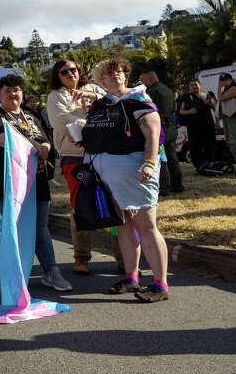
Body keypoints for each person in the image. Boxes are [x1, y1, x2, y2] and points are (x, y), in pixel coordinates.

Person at [82, 58, 169, 302]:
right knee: (123, 226)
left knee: (146, 225)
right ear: (102, 80)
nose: (116, 76)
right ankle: (132, 278)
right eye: (110, 74)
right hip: (106, 175)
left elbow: (152, 133)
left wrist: (150, 164)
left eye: (119, 72)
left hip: (136, 172)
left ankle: (161, 284)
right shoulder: (100, 105)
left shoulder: (139, 100)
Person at [0, 74, 73, 293]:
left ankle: (51, 272)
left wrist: (45, 148)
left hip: (38, 181)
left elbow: (45, 140)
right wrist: (35, 145)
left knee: (41, 229)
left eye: (17, 90)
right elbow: (0, 140)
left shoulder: (31, 115)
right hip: (11, 184)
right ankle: (16, 275)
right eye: (8, 91)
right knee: (15, 229)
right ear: (0, 95)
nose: (13, 94)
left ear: (22, 94)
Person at [46, 59, 124, 276]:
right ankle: (81, 257)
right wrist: (97, 125)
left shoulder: (94, 90)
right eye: (64, 71)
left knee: (116, 204)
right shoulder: (55, 97)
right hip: (75, 157)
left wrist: (93, 100)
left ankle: (123, 257)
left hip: (104, 155)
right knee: (80, 205)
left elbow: (115, 106)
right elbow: (62, 121)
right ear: (58, 75)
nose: (71, 73)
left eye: (74, 69)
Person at [141, 71, 184, 193]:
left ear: (149, 79)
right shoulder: (168, 90)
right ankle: (178, 185)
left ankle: (164, 187)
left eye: (143, 80)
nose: (143, 84)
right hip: (171, 127)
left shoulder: (152, 92)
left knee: (161, 158)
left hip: (160, 129)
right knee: (172, 157)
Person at [177, 79, 217, 171]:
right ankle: (198, 166)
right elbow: (181, 111)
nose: (194, 86)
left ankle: (210, 163)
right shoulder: (186, 97)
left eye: (196, 84)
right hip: (193, 126)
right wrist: (189, 111)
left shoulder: (207, 96)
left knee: (209, 145)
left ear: (200, 85)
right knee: (195, 146)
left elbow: (215, 108)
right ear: (189, 87)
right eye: (192, 85)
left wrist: (217, 123)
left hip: (208, 125)